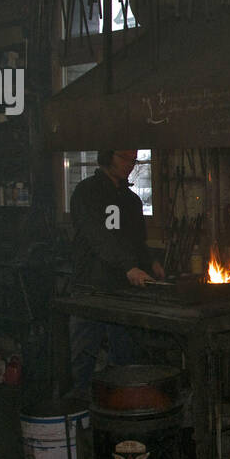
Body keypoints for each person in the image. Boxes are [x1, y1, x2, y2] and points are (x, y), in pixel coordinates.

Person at [66, 150, 165, 396]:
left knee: (125, 357)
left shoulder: (132, 201)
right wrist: (128, 266)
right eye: (123, 158)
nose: (129, 166)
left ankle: (121, 406)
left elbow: (136, 241)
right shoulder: (86, 193)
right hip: (91, 286)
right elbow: (97, 237)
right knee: (84, 356)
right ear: (108, 156)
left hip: (122, 291)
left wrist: (150, 262)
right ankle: (79, 413)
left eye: (133, 160)